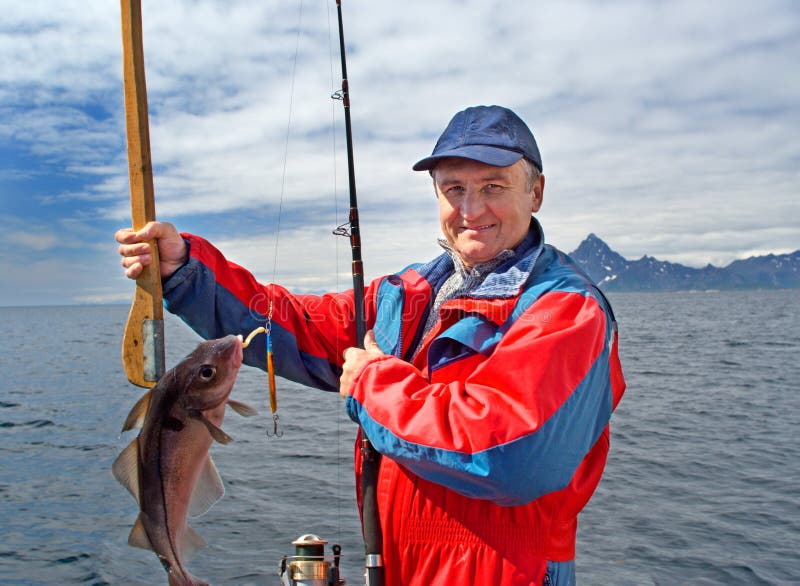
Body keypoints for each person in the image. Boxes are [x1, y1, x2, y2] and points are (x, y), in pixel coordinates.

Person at [116, 105, 626, 585]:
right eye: (453, 189)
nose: (471, 209)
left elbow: (512, 452)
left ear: (535, 193)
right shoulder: (407, 295)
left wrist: (373, 385)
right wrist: (186, 271)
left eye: (493, 186)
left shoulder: (566, 309)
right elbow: (294, 325)